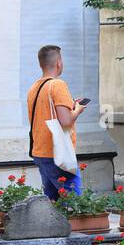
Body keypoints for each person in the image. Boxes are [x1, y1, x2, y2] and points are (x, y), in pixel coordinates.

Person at [26, 45, 86, 201]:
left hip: (40, 151)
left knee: (53, 202)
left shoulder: (34, 87)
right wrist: (78, 109)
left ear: (41, 64)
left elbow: (46, 113)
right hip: (57, 153)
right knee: (76, 203)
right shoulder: (58, 85)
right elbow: (66, 121)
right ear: (59, 62)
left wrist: (70, 106)